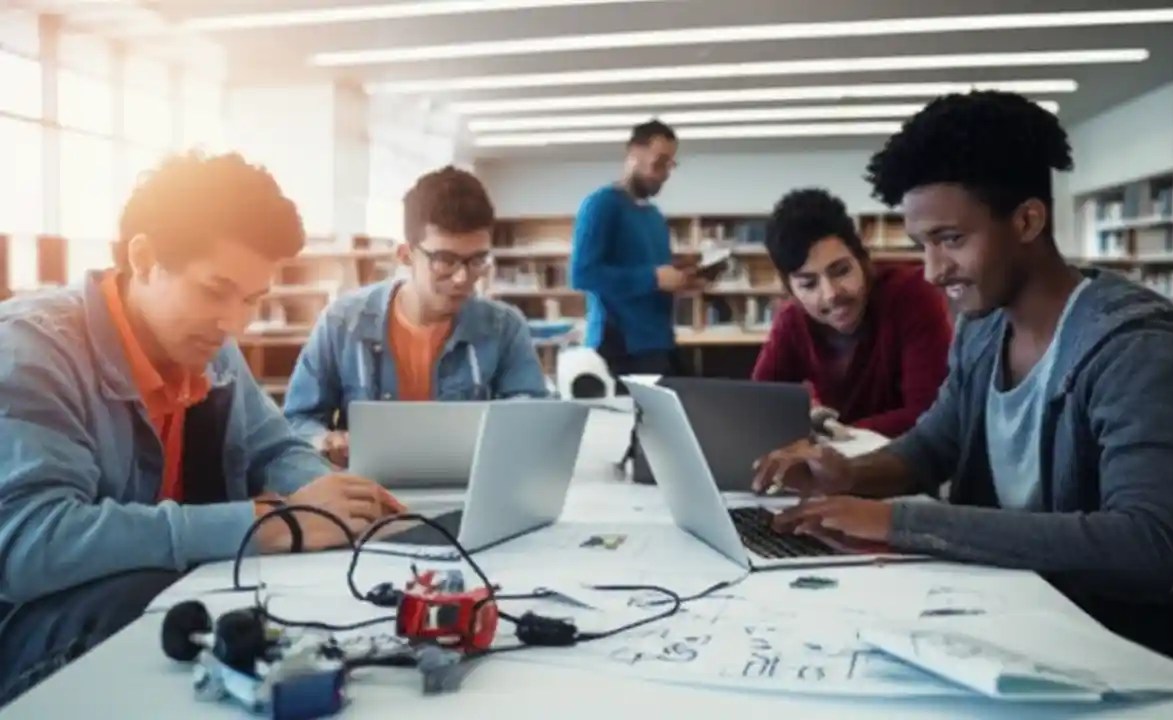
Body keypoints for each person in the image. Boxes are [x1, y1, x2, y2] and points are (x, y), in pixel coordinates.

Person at [753, 92, 1173, 638]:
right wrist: (850, 474)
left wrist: (900, 522)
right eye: (924, 244)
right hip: (992, 613)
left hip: (1093, 634)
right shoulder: (983, 327)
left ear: (1027, 221)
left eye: (951, 240)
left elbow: (1158, 544)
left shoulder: (1135, 346)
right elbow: (934, 447)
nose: (931, 271)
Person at [0, 152, 405, 704]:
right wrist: (261, 526)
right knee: (169, 597)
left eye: (251, 300)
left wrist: (334, 505)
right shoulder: (30, 352)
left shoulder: (208, 343)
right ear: (144, 257)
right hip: (27, 630)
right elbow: (29, 544)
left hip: (149, 605)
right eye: (215, 291)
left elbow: (276, 448)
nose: (235, 322)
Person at [283, 165, 548, 467]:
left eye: (476, 260)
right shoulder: (342, 322)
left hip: (468, 491)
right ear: (406, 255)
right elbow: (297, 420)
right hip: (367, 493)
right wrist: (324, 440)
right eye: (444, 260)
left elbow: (533, 419)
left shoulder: (505, 327)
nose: (463, 278)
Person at [751, 188, 952, 437]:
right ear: (790, 289)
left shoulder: (912, 295)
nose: (831, 294)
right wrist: (812, 419)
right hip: (839, 464)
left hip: (909, 464)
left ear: (862, 259)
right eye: (808, 284)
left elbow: (928, 414)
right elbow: (759, 407)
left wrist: (833, 435)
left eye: (841, 271)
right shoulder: (792, 319)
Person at [570, 119, 701, 379]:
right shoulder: (602, 204)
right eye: (659, 161)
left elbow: (652, 271)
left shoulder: (654, 216)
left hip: (659, 342)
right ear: (633, 153)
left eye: (670, 164)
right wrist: (653, 277)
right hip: (620, 347)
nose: (664, 173)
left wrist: (683, 277)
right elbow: (583, 274)